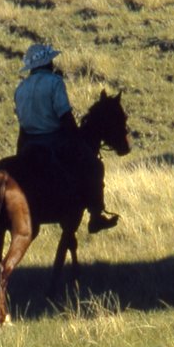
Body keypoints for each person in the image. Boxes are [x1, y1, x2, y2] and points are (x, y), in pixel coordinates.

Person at [14, 43, 119, 233]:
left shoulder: (21, 88)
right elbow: (64, 116)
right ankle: (96, 216)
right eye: (51, 60)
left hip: (28, 142)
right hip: (54, 140)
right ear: (47, 63)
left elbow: (22, 122)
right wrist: (77, 136)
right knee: (95, 166)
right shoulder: (54, 82)